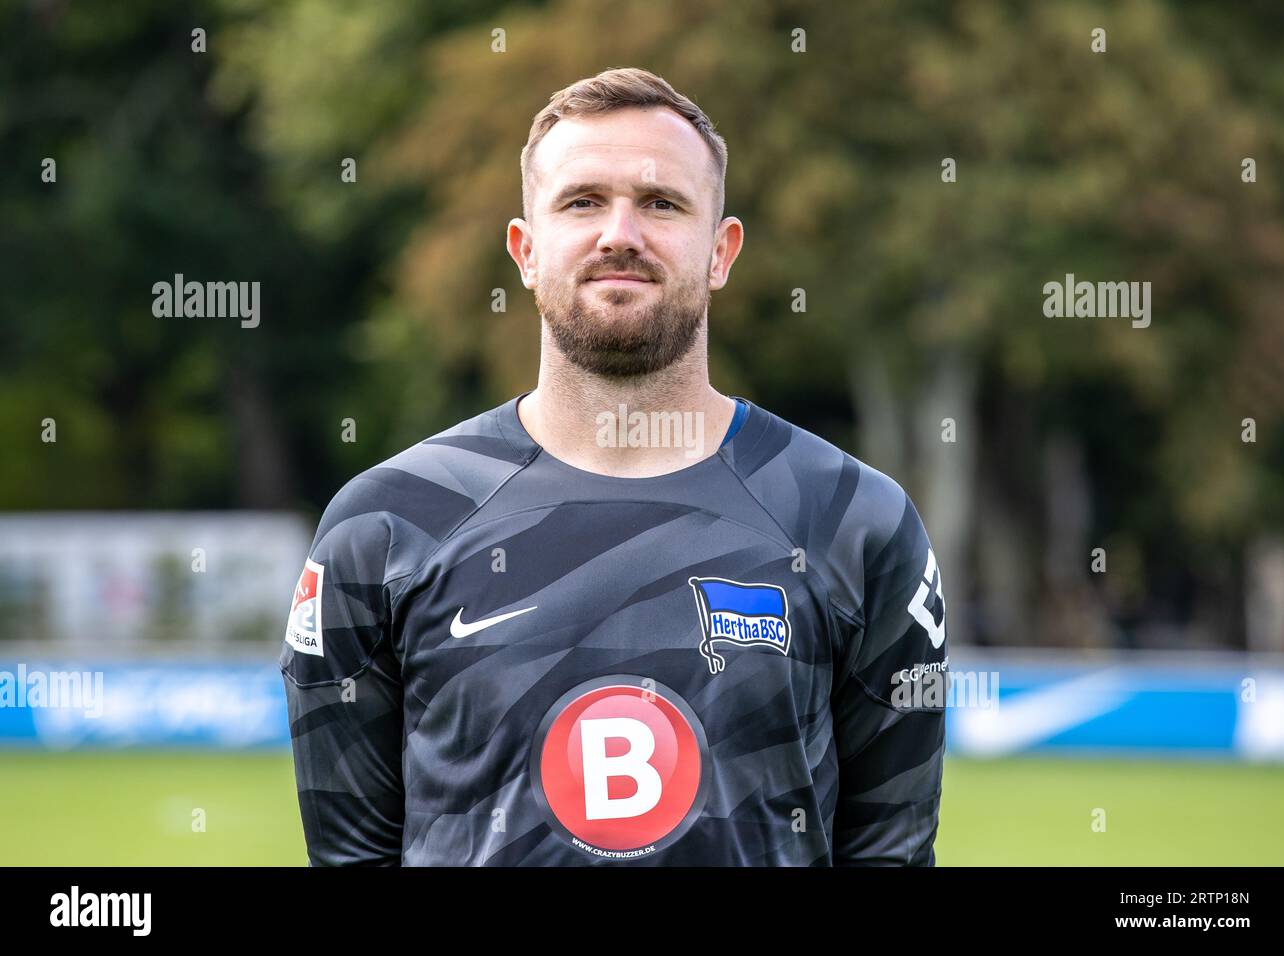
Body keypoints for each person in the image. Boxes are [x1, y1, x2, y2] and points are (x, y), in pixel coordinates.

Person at [281, 67, 947, 865]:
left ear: (721, 252)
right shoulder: (386, 524)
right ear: (526, 252)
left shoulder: (854, 520)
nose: (620, 234)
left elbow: (890, 851)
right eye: (582, 202)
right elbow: (350, 857)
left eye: (661, 203)